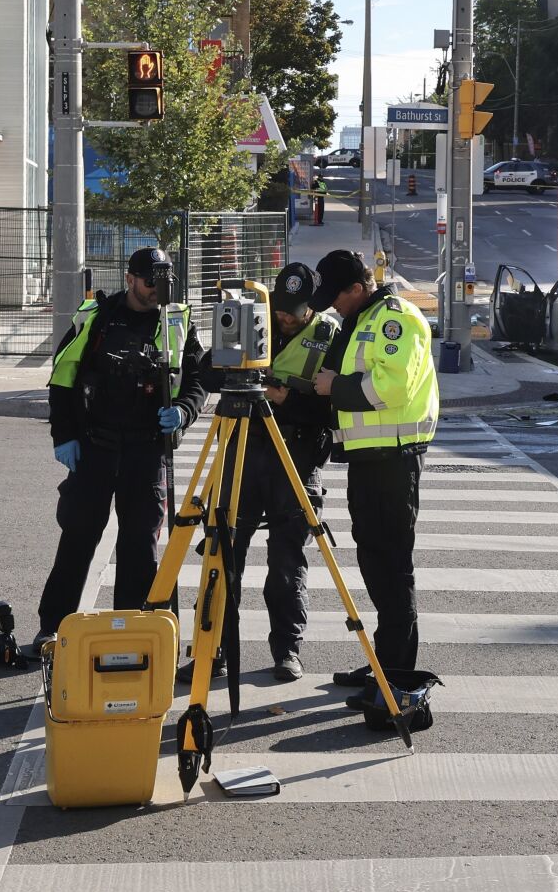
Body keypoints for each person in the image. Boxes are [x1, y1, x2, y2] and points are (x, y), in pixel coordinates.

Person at [33, 247, 204, 651]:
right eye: (150, 281)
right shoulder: (97, 317)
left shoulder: (177, 321)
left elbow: (197, 382)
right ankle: (52, 627)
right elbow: (63, 379)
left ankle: (130, 631)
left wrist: (183, 411)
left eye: (165, 281)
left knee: (139, 544)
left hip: (147, 452)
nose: (158, 289)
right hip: (96, 446)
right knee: (78, 536)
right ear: (130, 279)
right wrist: (65, 436)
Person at [176, 262, 337, 684]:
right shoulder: (251, 319)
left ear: (311, 307)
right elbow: (207, 372)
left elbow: (332, 409)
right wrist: (238, 364)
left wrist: (280, 396)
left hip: (296, 457)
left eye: (293, 311)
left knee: (286, 564)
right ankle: (212, 652)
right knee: (223, 555)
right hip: (242, 453)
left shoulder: (328, 337)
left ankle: (287, 649)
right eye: (279, 308)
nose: (284, 317)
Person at [309, 249, 439, 704]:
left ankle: (397, 677)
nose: (332, 306)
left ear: (358, 289)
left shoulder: (394, 319)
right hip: (370, 459)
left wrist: (334, 388)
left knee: (391, 567)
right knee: (375, 563)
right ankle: (386, 661)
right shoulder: (362, 319)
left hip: (393, 459)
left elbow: (392, 387)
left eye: (336, 297)